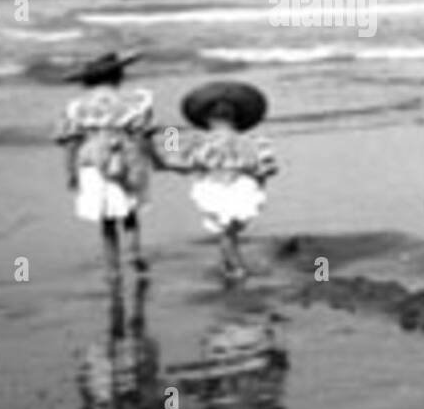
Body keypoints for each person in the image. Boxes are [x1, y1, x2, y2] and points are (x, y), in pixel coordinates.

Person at [161, 81, 278, 281]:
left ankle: (236, 269)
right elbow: (265, 169)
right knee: (230, 233)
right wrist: (260, 188)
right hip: (243, 188)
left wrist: (168, 139)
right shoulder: (253, 142)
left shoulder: (200, 142)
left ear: (207, 119)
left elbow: (179, 164)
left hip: (213, 188)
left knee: (225, 234)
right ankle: (231, 266)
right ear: (237, 118)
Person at [54, 51, 156, 276]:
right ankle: (134, 252)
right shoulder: (135, 102)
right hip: (127, 157)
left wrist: (70, 171)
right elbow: (143, 135)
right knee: (130, 211)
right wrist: (154, 158)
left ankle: (112, 267)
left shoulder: (76, 106)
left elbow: (71, 142)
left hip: (91, 161)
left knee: (106, 218)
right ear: (119, 76)